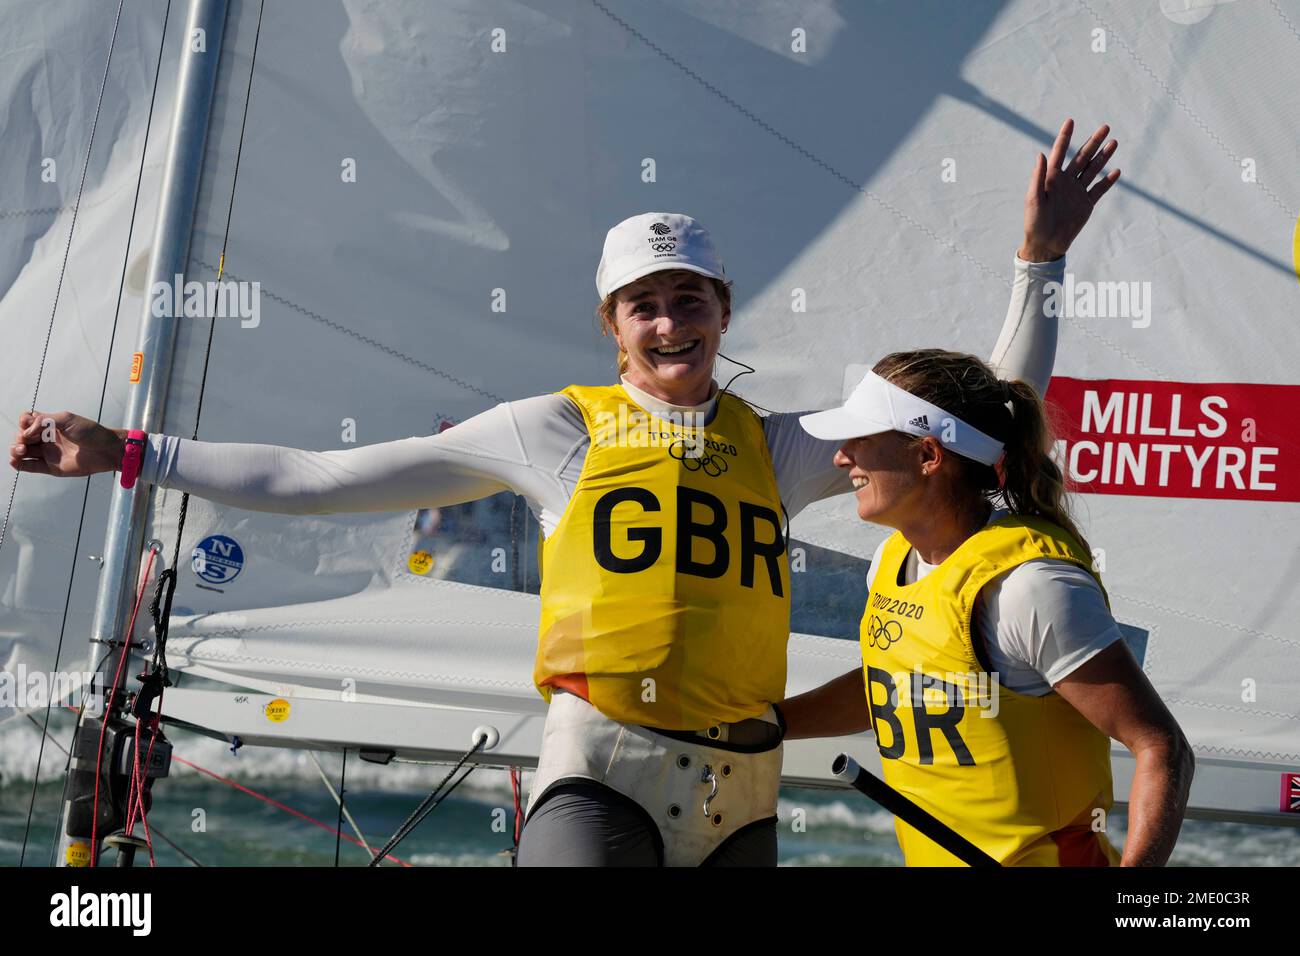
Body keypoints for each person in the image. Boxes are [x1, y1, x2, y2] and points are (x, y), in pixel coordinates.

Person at [9, 118, 1119, 867]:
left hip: (746, 787)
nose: (670, 322)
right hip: (604, 768)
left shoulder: (778, 445)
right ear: (612, 325)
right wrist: (130, 451)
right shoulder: (554, 427)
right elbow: (321, 478)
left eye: (689, 299)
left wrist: (1039, 260)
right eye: (644, 305)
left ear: (723, 312)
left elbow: (981, 415)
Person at [780, 349, 1194, 866]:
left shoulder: (1031, 587)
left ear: (928, 456)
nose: (842, 458)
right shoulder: (892, 558)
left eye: (861, 439)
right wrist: (772, 723)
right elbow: (900, 688)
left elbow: (1162, 746)